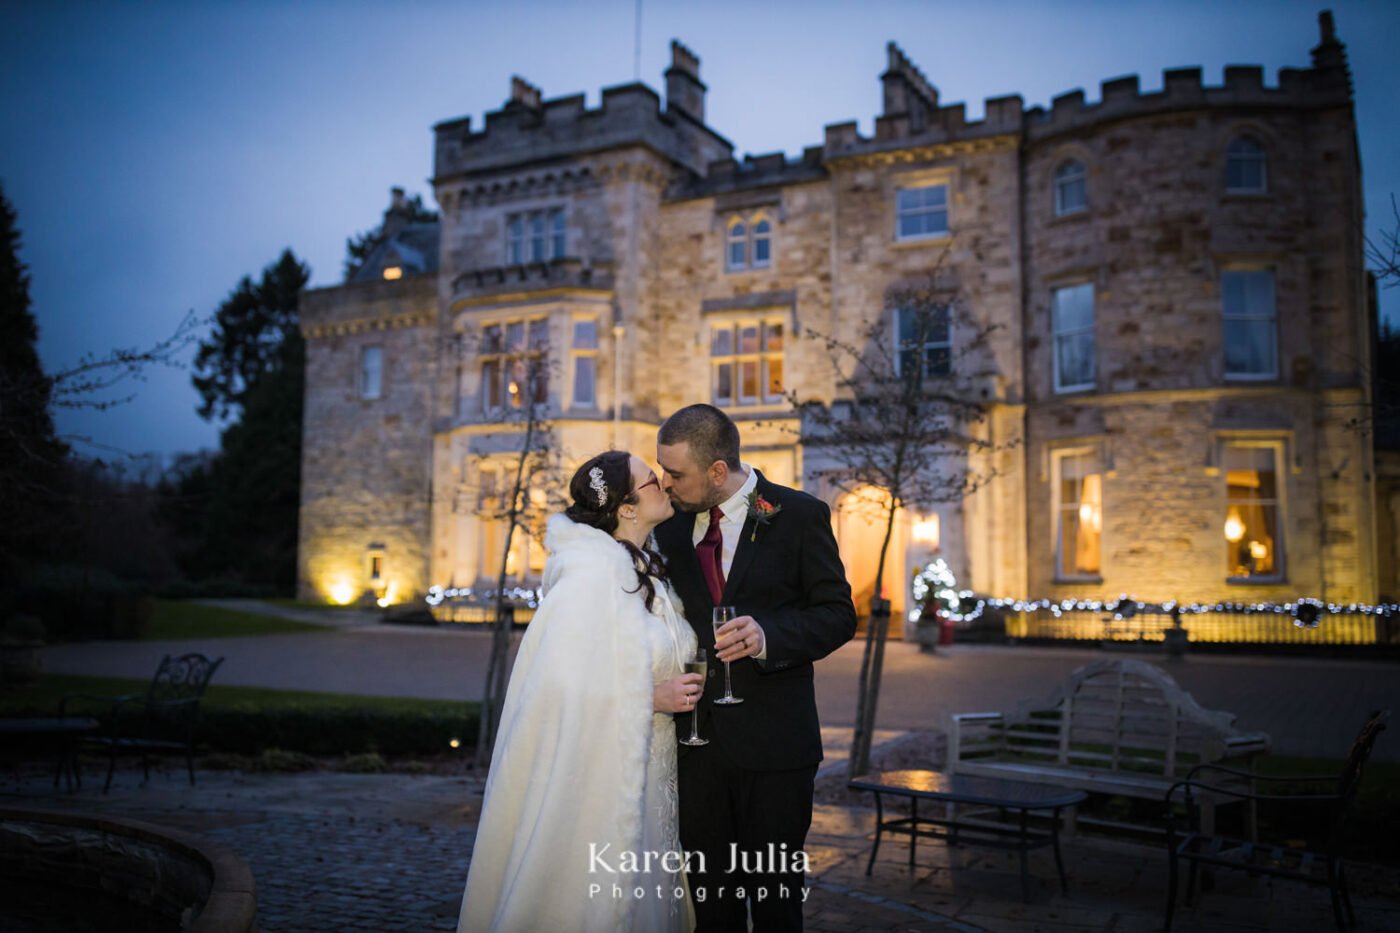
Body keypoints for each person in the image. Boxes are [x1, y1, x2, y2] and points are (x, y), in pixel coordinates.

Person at [458, 451, 703, 933]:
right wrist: (649, 698)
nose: (665, 485)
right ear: (627, 508)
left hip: (655, 769)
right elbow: (557, 685)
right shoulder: (591, 575)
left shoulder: (644, 568)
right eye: (653, 480)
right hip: (604, 777)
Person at [654, 404, 857, 932]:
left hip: (777, 752)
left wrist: (770, 637)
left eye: (676, 475)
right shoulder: (669, 529)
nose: (666, 485)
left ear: (718, 471)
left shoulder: (800, 515)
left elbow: (837, 615)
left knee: (774, 902)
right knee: (710, 906)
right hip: (696, 750)